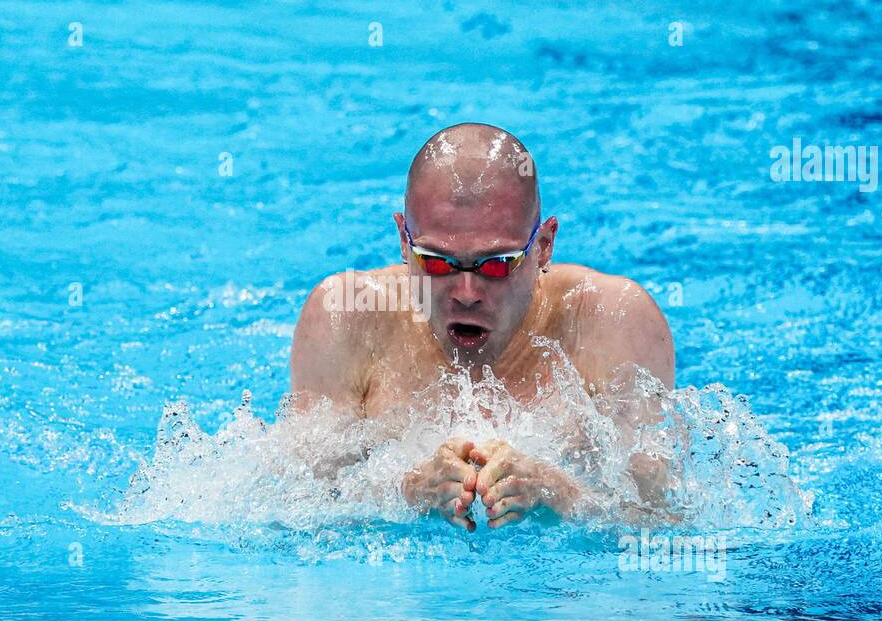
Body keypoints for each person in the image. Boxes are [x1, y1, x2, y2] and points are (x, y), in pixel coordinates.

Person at [289, 122, 674, 530]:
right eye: (437, 262)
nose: (468, 292)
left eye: (497, 264)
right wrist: (405, 491)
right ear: (404, 241)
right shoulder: (347, 317)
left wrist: (558, 494)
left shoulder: (613, 322)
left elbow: (664, 522)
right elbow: (293, 509)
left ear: (543, 246)